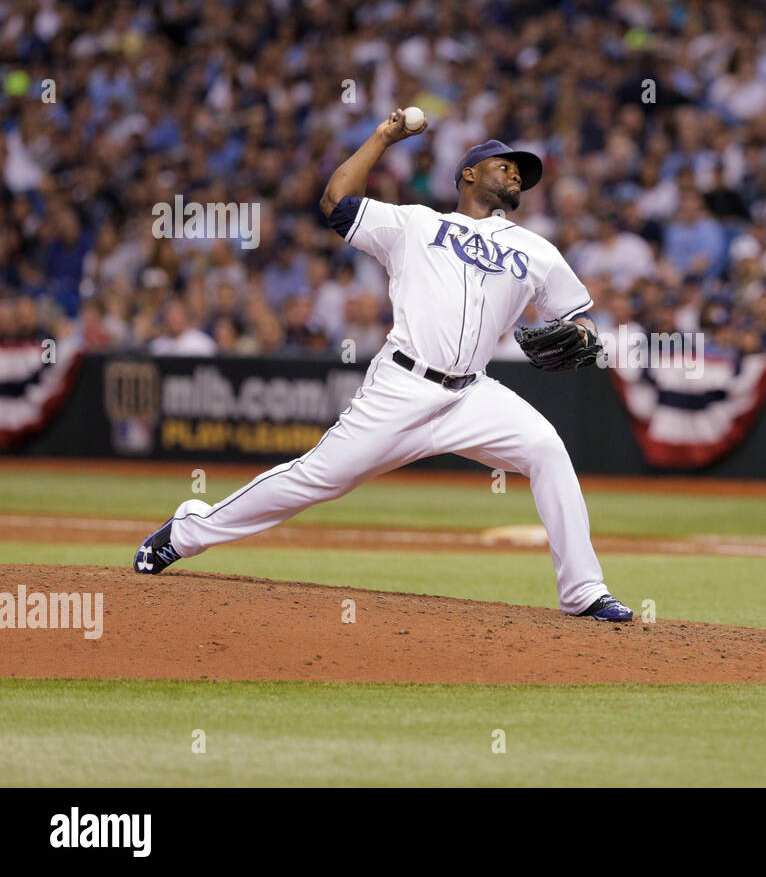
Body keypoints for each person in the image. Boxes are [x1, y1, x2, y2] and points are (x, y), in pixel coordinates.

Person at [131, 111, 633, 622]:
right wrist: (384, 136)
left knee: (547, 449)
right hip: (403, 385)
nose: (516, 176)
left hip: (473, 395)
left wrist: (586, 335)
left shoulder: (537, 250)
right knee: (315, 479)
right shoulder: (416, 223)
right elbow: (335, 204)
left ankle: (583, 590)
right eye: (505, 166)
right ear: (469, 173)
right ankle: (186, 532)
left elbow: (578, 316)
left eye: (521, 174)